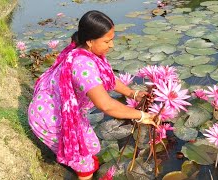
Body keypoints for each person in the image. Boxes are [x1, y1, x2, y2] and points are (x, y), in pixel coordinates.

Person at [28, 10, 157, 180]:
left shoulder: (83, 50)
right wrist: (141, 115)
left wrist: (132, 93)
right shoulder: (82, 65)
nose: (111, 45)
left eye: (112, 39)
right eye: (107, 41)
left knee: (92, 146)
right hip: (50, 118)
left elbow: (105, 78)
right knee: (84, 164)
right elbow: (106, 105)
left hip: (62, 108)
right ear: (89, 41)